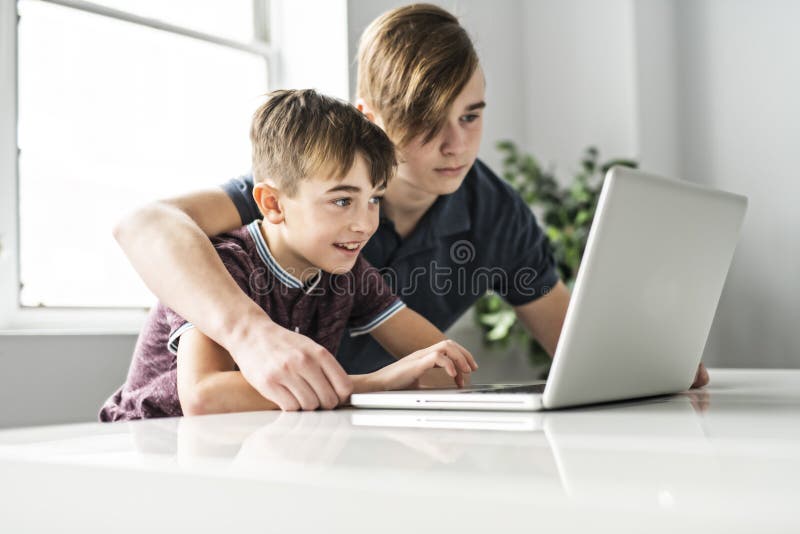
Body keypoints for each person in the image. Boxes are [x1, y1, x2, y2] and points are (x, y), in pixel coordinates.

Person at [113, 4, 708, 413]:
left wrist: (650, 361)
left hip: (349, 432)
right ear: (369, 120)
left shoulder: (491, 211)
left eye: (471, 115)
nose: (457, 146)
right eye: (428, 122)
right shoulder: (306, 189)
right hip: (235, 432)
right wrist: (252, 334)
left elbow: (573, 348)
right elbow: (144, 224)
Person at [99, 89, 477, 421]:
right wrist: (374, 383)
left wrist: (434, 366)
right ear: (273, 203)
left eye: (374, 199)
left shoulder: (346, 272)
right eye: (343, 200)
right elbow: (204, 396)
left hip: (242, 449)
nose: (364, 224)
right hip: (152, 445)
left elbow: (441, 363)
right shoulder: (225, 264)